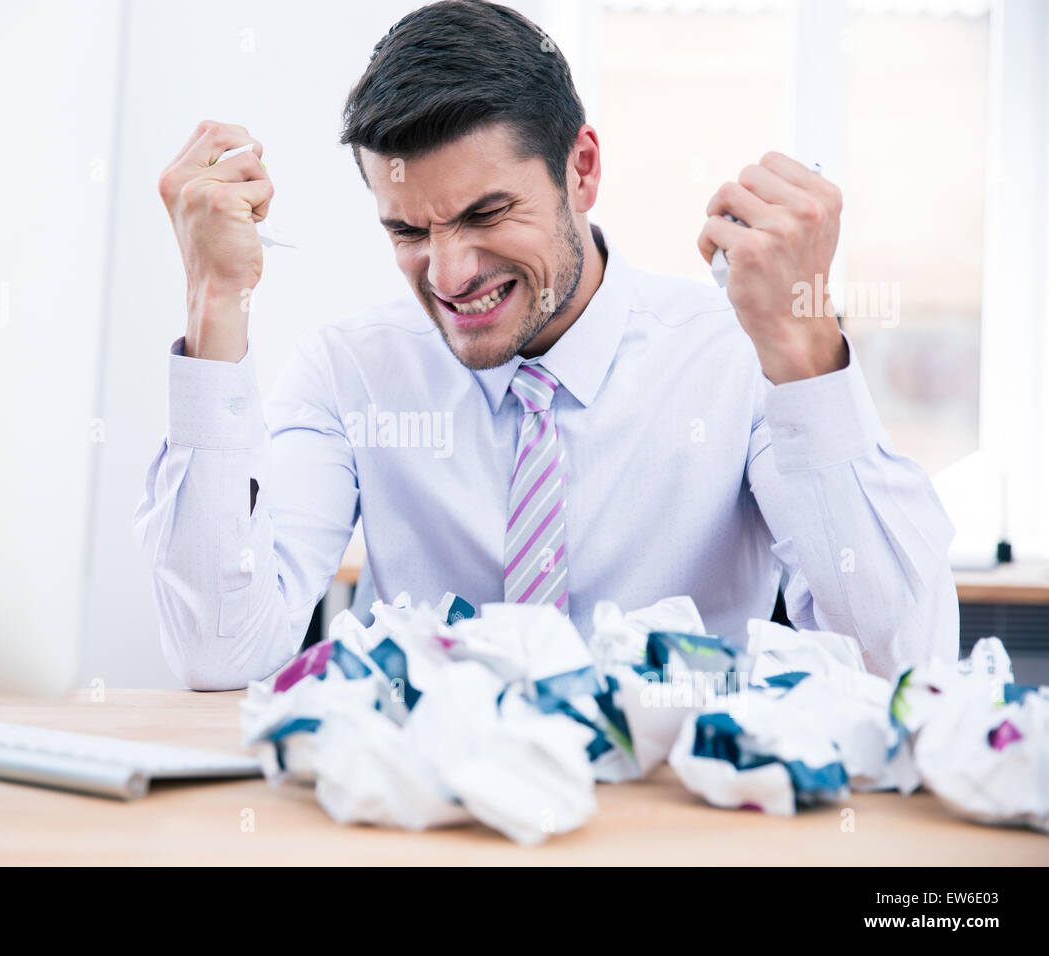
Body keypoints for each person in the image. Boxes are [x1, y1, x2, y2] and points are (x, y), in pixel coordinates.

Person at [135, 0, 958, 690]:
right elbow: (220, 656)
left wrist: (804, 353)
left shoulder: (735, 359)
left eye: (486, 215)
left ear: (583, 169)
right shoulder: (350, 371)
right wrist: (214, 305)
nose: (449, 274)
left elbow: (903, 670)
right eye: (408, 231)